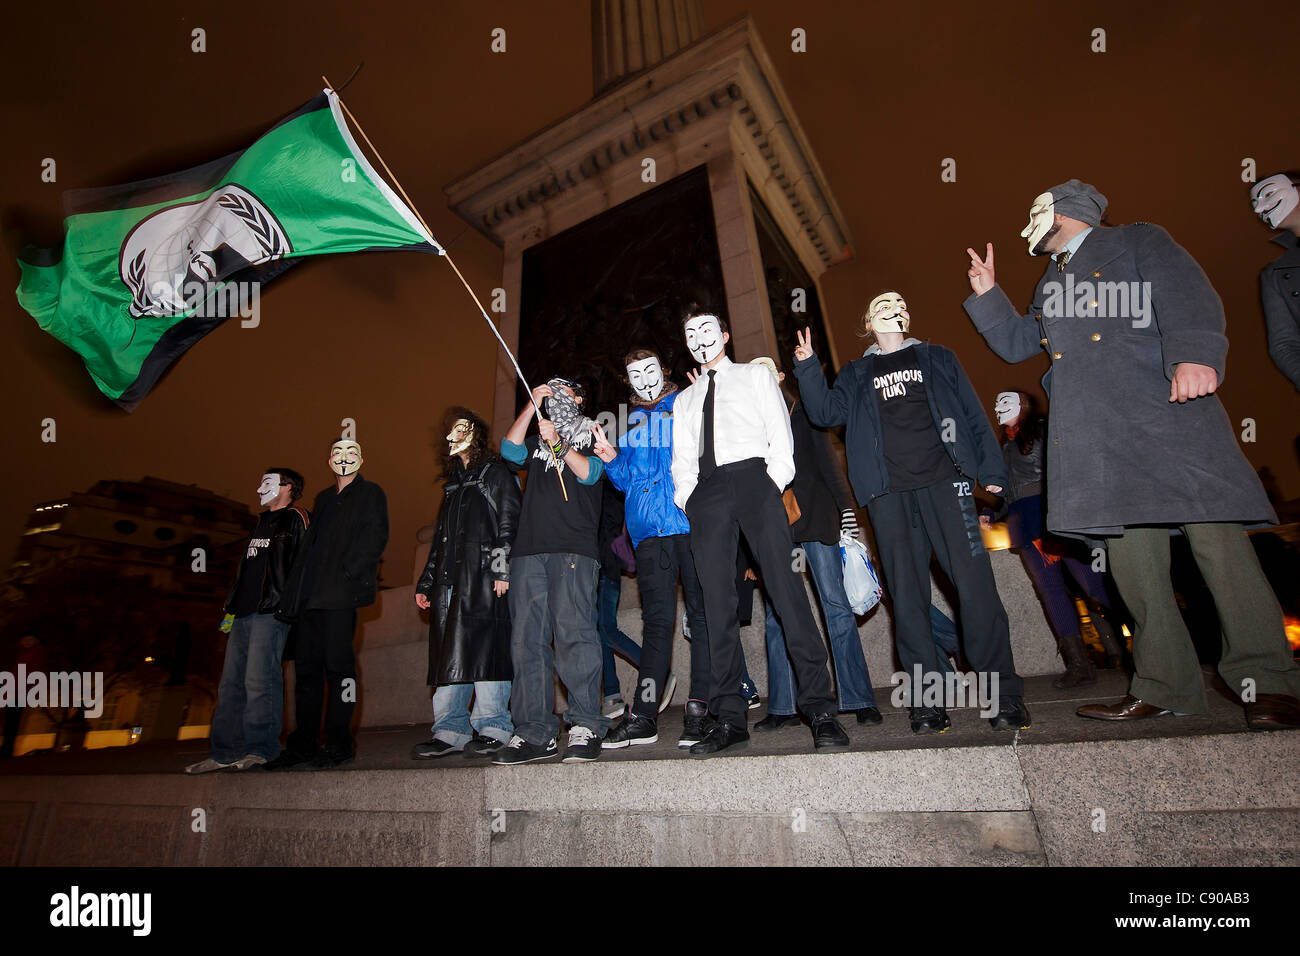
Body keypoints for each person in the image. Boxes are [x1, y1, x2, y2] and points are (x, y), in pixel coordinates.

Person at [964, 178, 1300, 729]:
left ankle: (1268, 682)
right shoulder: (1052, 281)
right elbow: (1019, 344)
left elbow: (1187, 296)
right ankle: (1166, 686)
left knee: (1218, 549)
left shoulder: (1140, 241)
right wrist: (987, 295)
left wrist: (1194, 356)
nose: (1027, 222)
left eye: (1036, 211)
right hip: (1098, 440)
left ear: (1064, 212)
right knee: (1133, 566)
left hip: (1164, 415)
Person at [792, 292, 1028, 734]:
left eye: (902, 301)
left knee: (976, 589)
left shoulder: (937, 357)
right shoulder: (857, 372)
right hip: (888, 497)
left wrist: (990, 470)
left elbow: (973, 416)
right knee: (908, 597)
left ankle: (1004, 697)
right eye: (883, 302)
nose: (895, 305)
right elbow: (825, 413)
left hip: (948, 487)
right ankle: (927, 704)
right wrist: (807, 367)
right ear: (868, 320)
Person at [671, 310, 849, 756]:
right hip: (706, 495)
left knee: (787, 591)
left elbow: (779, 431)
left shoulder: (753, 376)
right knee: (716, 607)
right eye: (691, 334)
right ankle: (730, 716)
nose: (699, 339)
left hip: (756, 482)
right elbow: (681, 457)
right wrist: (688, 498)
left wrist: (772, 482)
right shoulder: (685, 400)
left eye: (707, 330)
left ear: (726, 335)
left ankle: (820, 709)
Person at [743, 357, 882, 732]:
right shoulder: (751, 427)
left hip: (818, 521)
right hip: (777, 531)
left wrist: (847, 516)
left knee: (835, 606)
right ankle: (783, 706)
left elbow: (830, 469)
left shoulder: (804, 413)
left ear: (781, 376)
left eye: (767, 372)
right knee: (777, 616)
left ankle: (859, 697)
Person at [590, 348, 707, 749]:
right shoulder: (630, 424)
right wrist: (609, 459)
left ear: (664, 370)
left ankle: (700, 710)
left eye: (650, 370)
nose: (643, 379)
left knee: (701, 615)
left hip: (689, 524)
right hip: (648, 534)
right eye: (634, 375)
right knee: (657, 623)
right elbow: (626, 481)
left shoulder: (687, 402)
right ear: (628, 381)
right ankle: (643, 716)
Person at [493, 378, 610, 764]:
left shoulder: (591, 430)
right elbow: (509, 451)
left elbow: (591, 474)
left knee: (574, 634)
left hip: (573, 549)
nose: (557, 395)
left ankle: (585, 724)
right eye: (551, 389)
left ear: (580, 398)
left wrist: (559, 443)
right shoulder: (537, 432)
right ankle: (534, 731)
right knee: (527, 641)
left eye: (566, 391)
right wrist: (531, 406)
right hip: (530, 552)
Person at [987, 390, 1124, 686]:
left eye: (1005, 402)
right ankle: (1078, 663)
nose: (997, 407)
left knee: (1094, 585)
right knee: (1051, 591)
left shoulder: (1044, 431)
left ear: (1022, 406)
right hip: (1025, 524)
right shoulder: (1007, 445)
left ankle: (1129, 649)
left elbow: (1066, 472)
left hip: (1055, 520)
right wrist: (992, 512)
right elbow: (1011, 492)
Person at [268, 439, 389, 769]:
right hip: (310, 600)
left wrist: (349, 573)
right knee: (306, 674)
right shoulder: (322, 499)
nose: (344, 457)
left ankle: (339, 743)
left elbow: (375, 537)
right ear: (328, 460)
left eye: (351, 452)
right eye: (337, 452)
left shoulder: (371, 493)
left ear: (362, 459)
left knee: (341, 672)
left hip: (340, 597)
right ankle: (303, 744)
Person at [411, 408, 521, 759]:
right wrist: (426, 583)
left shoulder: (496, 473)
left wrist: (502, 570)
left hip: (484, 577)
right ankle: (449, 728)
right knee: (450, 654)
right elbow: (441, 539)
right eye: (450, 431)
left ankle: (495, 725)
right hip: (450, 583)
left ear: (476, 433)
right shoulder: (453, 485)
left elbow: (509, 522)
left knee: (486, 649)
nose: (452, 436)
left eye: (461, 429)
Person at [187, 468, 308, 774]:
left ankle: (261, 749)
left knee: (260, 679)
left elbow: (303, 566)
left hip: (271, 611)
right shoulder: (260, 523)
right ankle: (224, 751)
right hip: (242, 613)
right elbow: (247, 570)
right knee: (230, 685)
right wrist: (231, 608)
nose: (258, 489)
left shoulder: (297, 518)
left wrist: (291, 607)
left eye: (267, 483)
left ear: (288, 487)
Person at [594, 479, 647, 717]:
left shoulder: (607, 483)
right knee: (600, 631)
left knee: (605, 629)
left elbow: (609, 527)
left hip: (605, 568)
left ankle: (655, 671)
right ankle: (612, 695)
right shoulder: (605, 484)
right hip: (599, 568)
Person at [1250, 171, 1300, 390]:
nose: (1260, 208)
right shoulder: (1276, 274)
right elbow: (1283, 344)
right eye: (1254, 203)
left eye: (1268, 194)